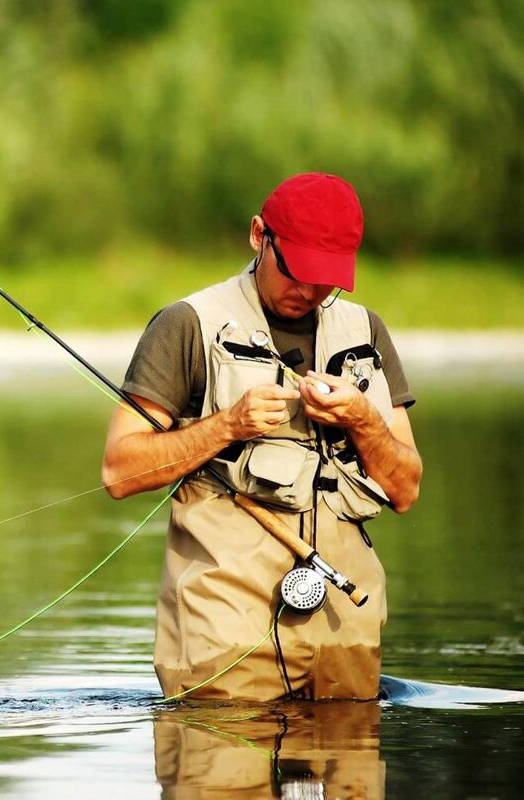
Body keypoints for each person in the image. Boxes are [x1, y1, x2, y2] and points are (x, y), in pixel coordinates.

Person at [101, 173, 422, 701]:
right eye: (296, 272)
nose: (309, 292)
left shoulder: (368, 331)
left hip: (347, 629)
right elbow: (118, 471)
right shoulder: (187, 325)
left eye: (327, 279)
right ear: (258, 236)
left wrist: (364, 418)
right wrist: (228, 424)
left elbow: (406, 490)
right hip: (222, 635)